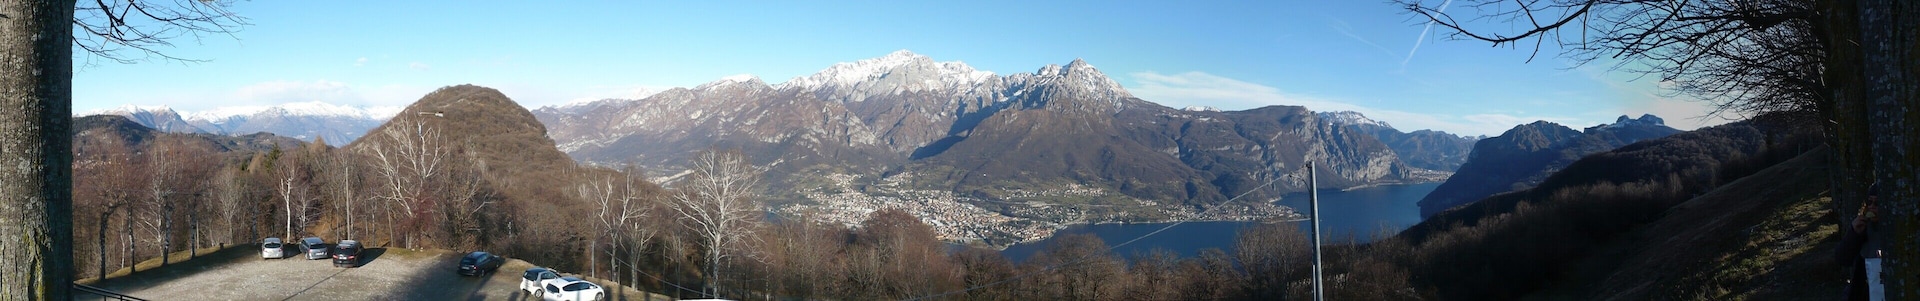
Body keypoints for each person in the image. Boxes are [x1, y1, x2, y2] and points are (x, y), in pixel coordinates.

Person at [1837, 181, 1884, 301]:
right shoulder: (1864, 228)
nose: (1872, 207)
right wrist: (1853, 233)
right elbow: (1843, 259)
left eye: (1877, 203)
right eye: (1869, 202)